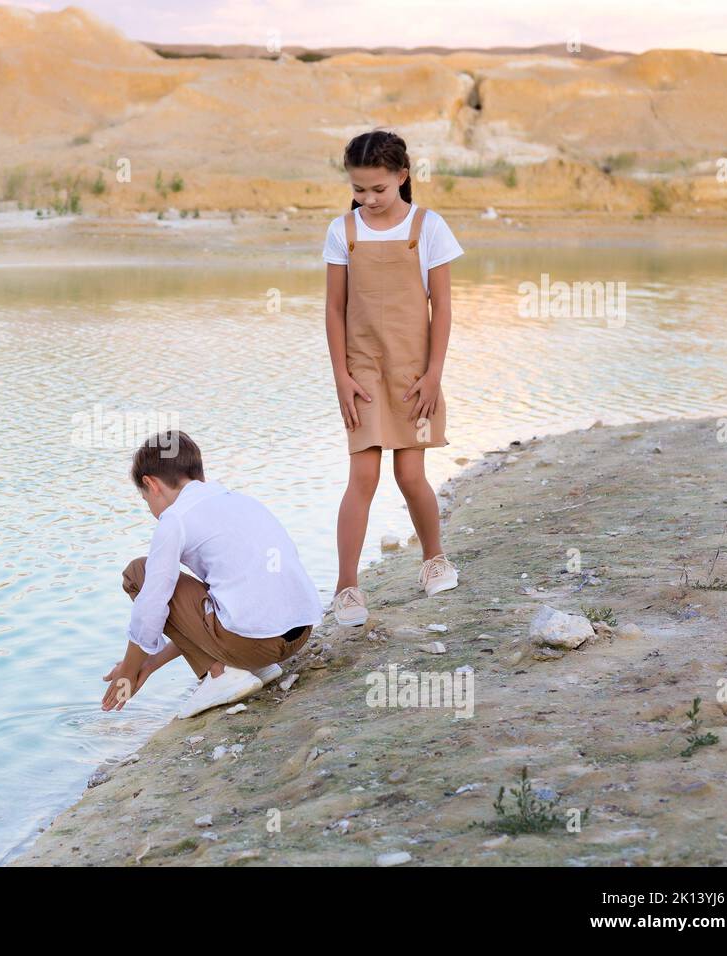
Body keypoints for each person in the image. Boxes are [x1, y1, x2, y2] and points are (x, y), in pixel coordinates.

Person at [321, 129, 463, 628]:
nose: (368, 199)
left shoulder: (429, 227)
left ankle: (434, 559)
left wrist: (433, 375)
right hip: (361, 372)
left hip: (413, 373)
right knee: (362, 477)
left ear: (403, 177)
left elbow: (441, 307)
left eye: (378, 189)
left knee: (410, 476)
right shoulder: (344, 231)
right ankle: (347, 588)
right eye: (359, 189)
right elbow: (334, 310)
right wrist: (340, 376)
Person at [101, 431, 322, 719]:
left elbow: (152, 606)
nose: (152, 512)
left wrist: (128, 672)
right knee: (213, 588)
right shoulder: (240, 501)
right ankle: (250, 668)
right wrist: (151, 664)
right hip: (299, 634)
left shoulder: (175, 518)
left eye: (146, 502)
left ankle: (220, 675)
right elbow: (199, 619)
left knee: (138, 573)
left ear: (151, 484)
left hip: (255, 644)